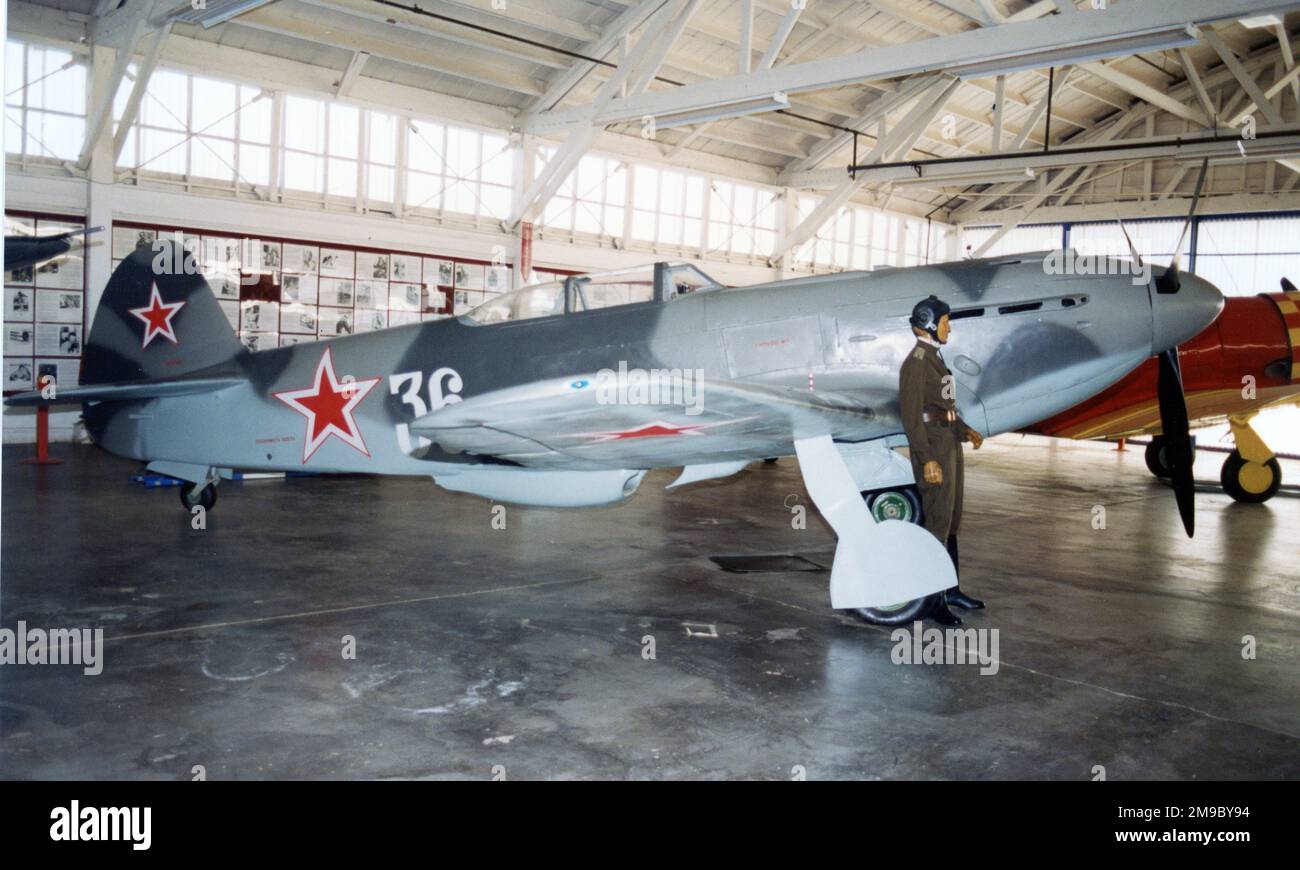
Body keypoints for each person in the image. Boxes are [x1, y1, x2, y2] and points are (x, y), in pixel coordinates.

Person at [898, 294, 986, 626]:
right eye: (945, 322)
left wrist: (965, 430)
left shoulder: (935, 358)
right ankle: (934, 601)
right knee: (936, 524)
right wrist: (926, 459)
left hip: (949, 445)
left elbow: (943, 407)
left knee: (950, 522)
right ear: (929, 323)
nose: (949, 328)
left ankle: (951, 590)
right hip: (933, 451)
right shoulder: (917, 362)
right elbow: (911, 417)